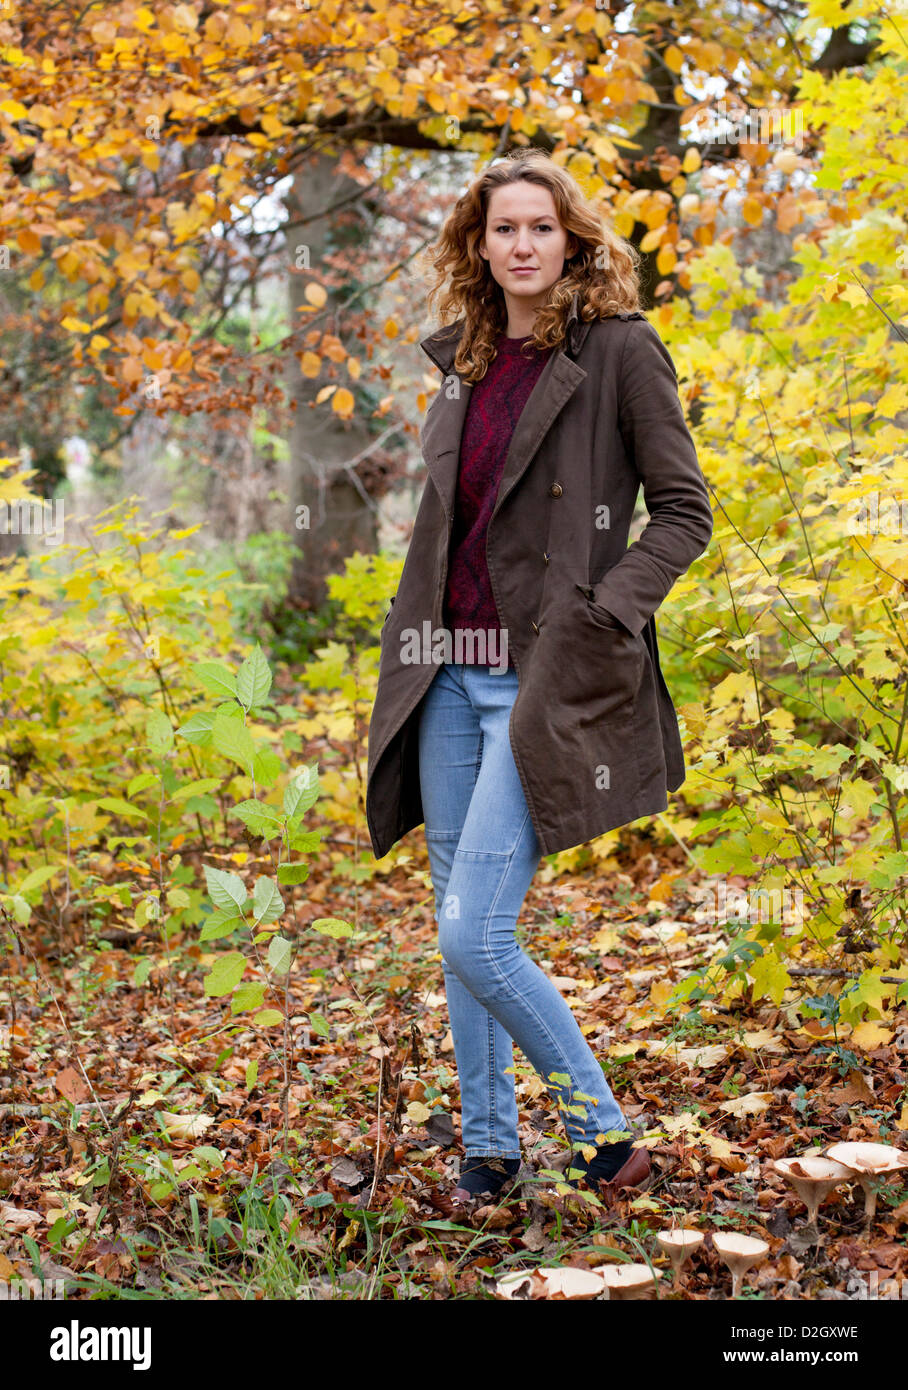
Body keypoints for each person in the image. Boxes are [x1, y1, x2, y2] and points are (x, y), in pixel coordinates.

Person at [365, 149, 714, 1212]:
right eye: (500, 228)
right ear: (478, 245)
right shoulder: (466, 357)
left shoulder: (618, 352)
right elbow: (452, 523)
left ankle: (601, 1135)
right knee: (450, 923)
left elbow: (684, 511)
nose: (519, 245)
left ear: (571, 240)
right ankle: (489, 1146)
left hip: (539, 682)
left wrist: (601, 613)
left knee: (477, 927)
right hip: (445, 674)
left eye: (538, 227)